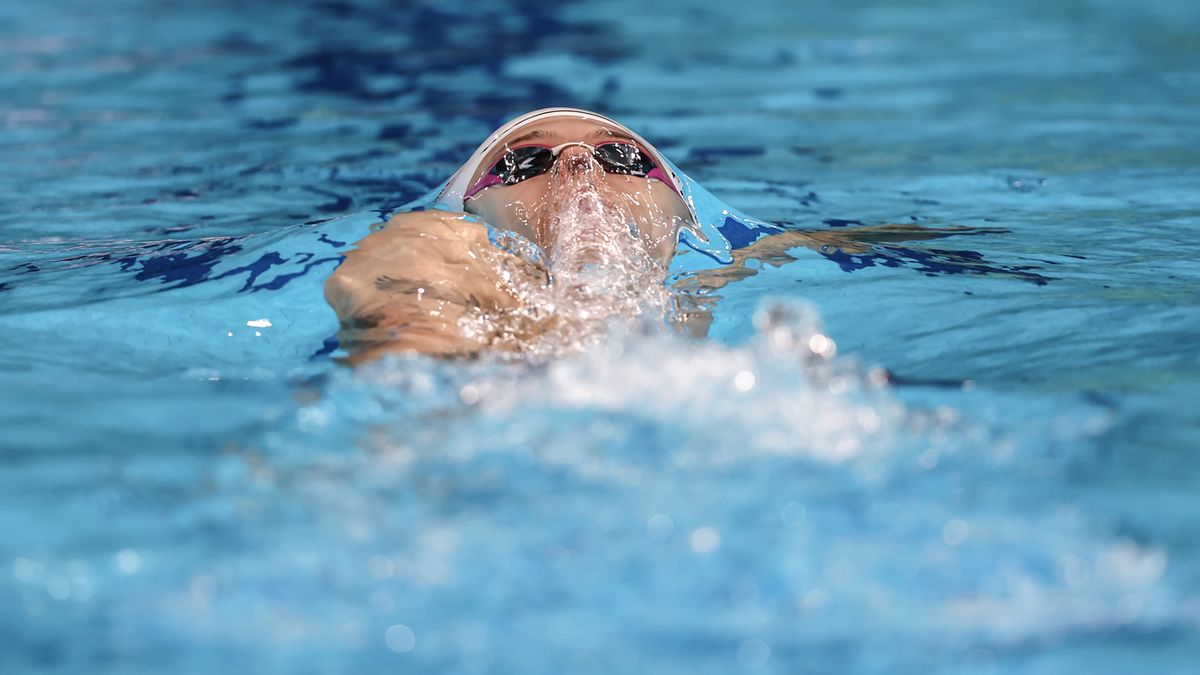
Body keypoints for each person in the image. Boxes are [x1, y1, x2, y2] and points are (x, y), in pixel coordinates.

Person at [324, 108, 699, 362]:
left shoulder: (746, 264)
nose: (578, 167)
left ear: (684, 211)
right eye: (525, 160)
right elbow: (402, 384)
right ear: (467, 209)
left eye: (620, 156)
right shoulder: (430, 241)